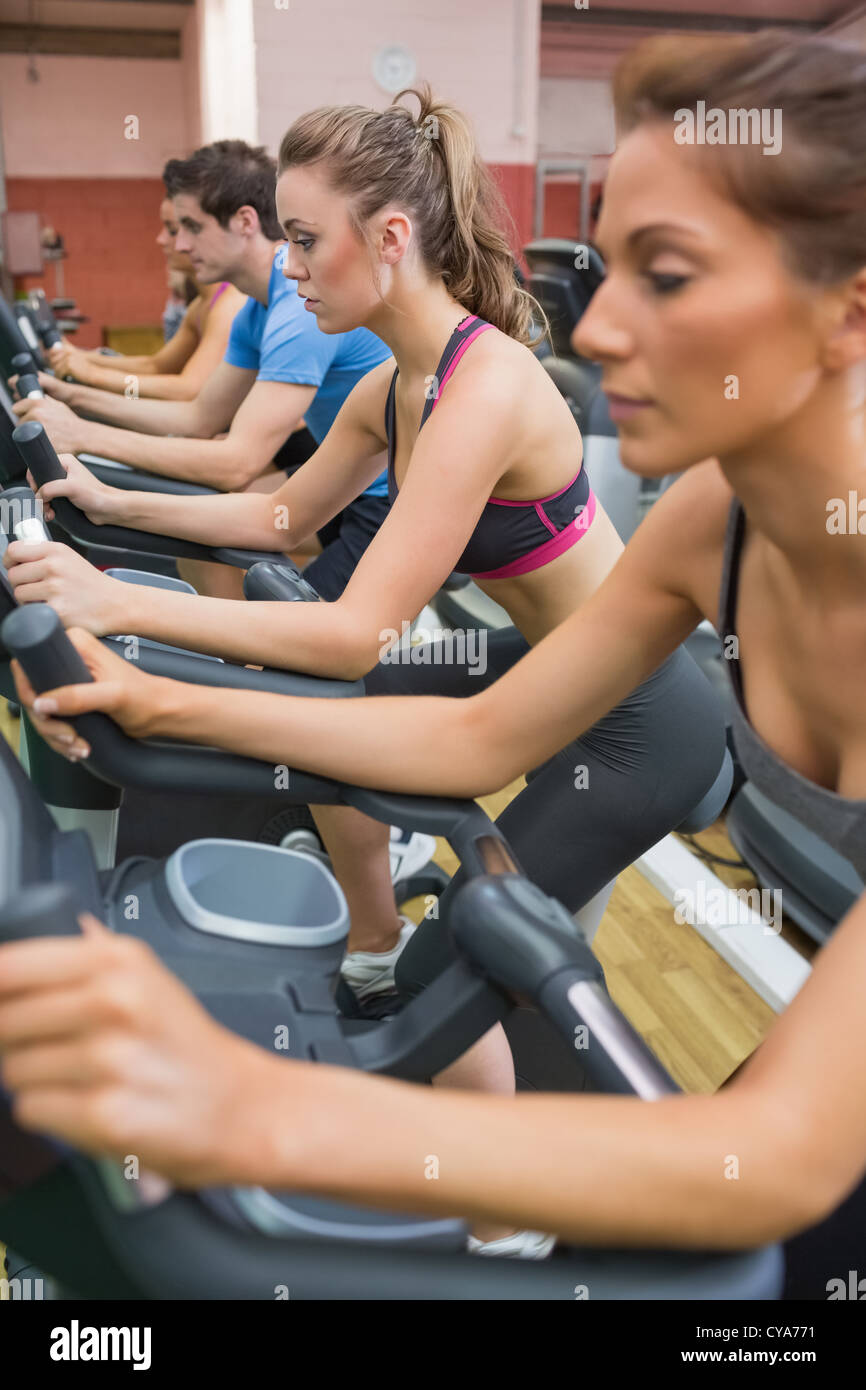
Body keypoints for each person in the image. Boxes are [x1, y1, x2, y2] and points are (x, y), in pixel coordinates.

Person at [7, 30, 862, 1286]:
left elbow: (779, 1150)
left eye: (664, 275)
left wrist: (234, 1105)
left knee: (467, 980)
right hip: (551, 685)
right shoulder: (707, 517)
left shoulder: (491, 382)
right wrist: (154, 693)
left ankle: (494, 1209)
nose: (602, 326)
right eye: (607, 266)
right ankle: (387, 959)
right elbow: (462, 726)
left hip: (638, 736)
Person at [11, 139, 392, 602]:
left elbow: (236, 463)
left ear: (245, 222)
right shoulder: (258, 309)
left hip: (378, 504)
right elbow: (198, 416)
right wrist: (73, 402)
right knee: (215, 547)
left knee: (279, 646)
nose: (178, 243)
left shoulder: (299, 305)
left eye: (190, 226)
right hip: (338, 491)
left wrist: (84, 436)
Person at [47, 195, 244, 401]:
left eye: (172, 230)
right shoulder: (199, 306)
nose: (160, 239)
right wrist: (82, 358)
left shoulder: (228, 306)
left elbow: (188, 390)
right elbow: (155, 366)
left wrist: (94, 376)